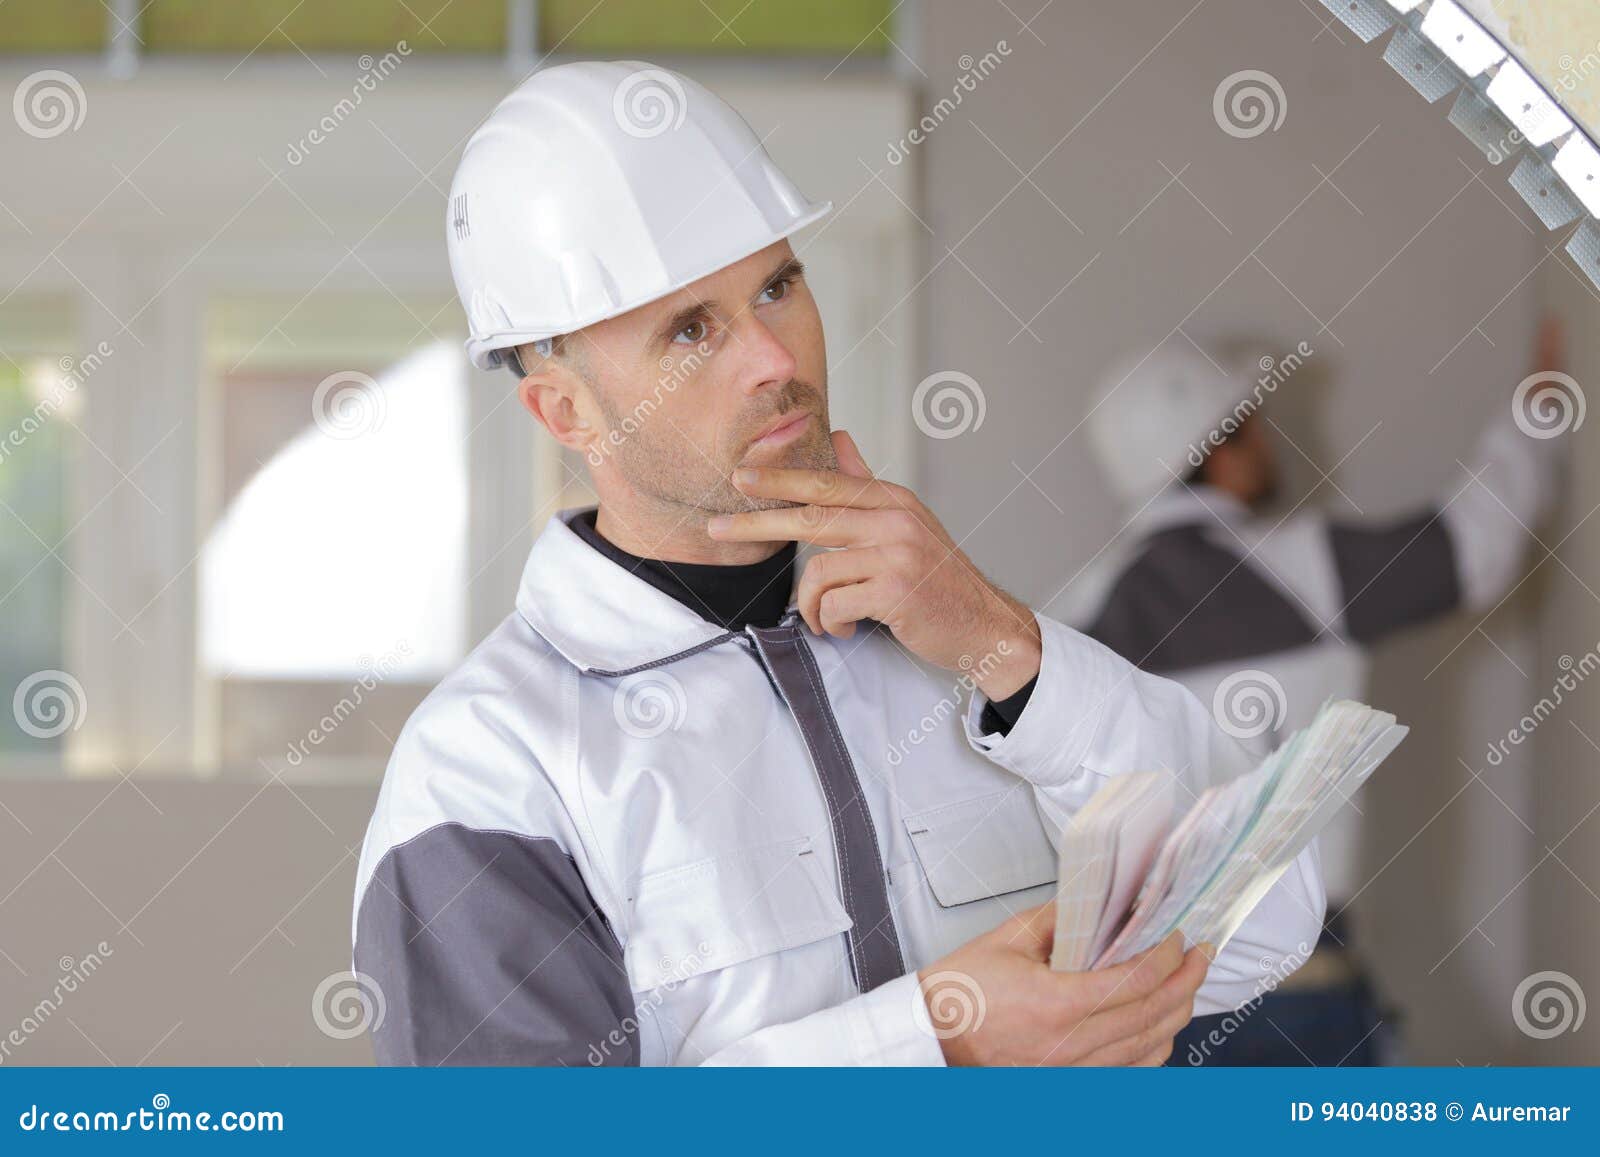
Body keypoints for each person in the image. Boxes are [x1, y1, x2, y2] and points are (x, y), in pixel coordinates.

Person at [350, 61, 1325, 1067]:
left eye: (777, 285)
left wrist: (1006, 645)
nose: (775, 360)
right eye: (691, 329)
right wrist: (934, 1040)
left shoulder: (955, 645)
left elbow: (1265, 926)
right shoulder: (487, 765)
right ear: (566, 412)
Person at [1063, 324, 1567, 1065]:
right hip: (1298, 1003)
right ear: (1219, 449)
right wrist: (1541, 409)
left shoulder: (1068, 619)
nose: (1269, 443)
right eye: (1253, 425)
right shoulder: (1307, 568)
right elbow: (1477, 543)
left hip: (1137, 1018)